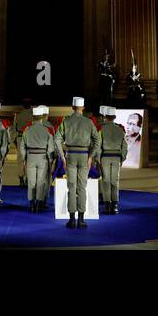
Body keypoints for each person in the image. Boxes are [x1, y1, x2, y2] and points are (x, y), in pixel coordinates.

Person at [58, 96, 100, 228]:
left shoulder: (66, 121)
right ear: (83, 108)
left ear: (72, 107)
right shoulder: (89, 122)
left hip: (70, 155)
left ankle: (71, 219)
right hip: (83, 155)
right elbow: (97, 141)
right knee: (82, 187)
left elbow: (57, 139)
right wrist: (90, 156)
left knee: (71, 187)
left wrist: (62, 157)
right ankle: (81, 219)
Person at [18, 104, 58, 212]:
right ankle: (39, 203)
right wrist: (50, 161)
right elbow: (50, 148)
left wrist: (25, 158)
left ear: (33, 117)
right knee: (41, 181)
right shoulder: (47, 130)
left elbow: (22, 146)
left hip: (31, 157)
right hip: (43, 158)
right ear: (42, 117)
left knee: (31, 181)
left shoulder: (27, 130)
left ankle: (31, 203)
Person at [98, 106, 128, 214]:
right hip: (116, 157)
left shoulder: (101, 129)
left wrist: (97, 159)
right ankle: (115, 205)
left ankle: (107, 204)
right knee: (115, 181)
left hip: (105, 157)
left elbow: (98, 146)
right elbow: (124, 146)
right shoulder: (120, 129)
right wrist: (122, 158)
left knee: (106, 181)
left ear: (106, 117)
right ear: (115, 117)